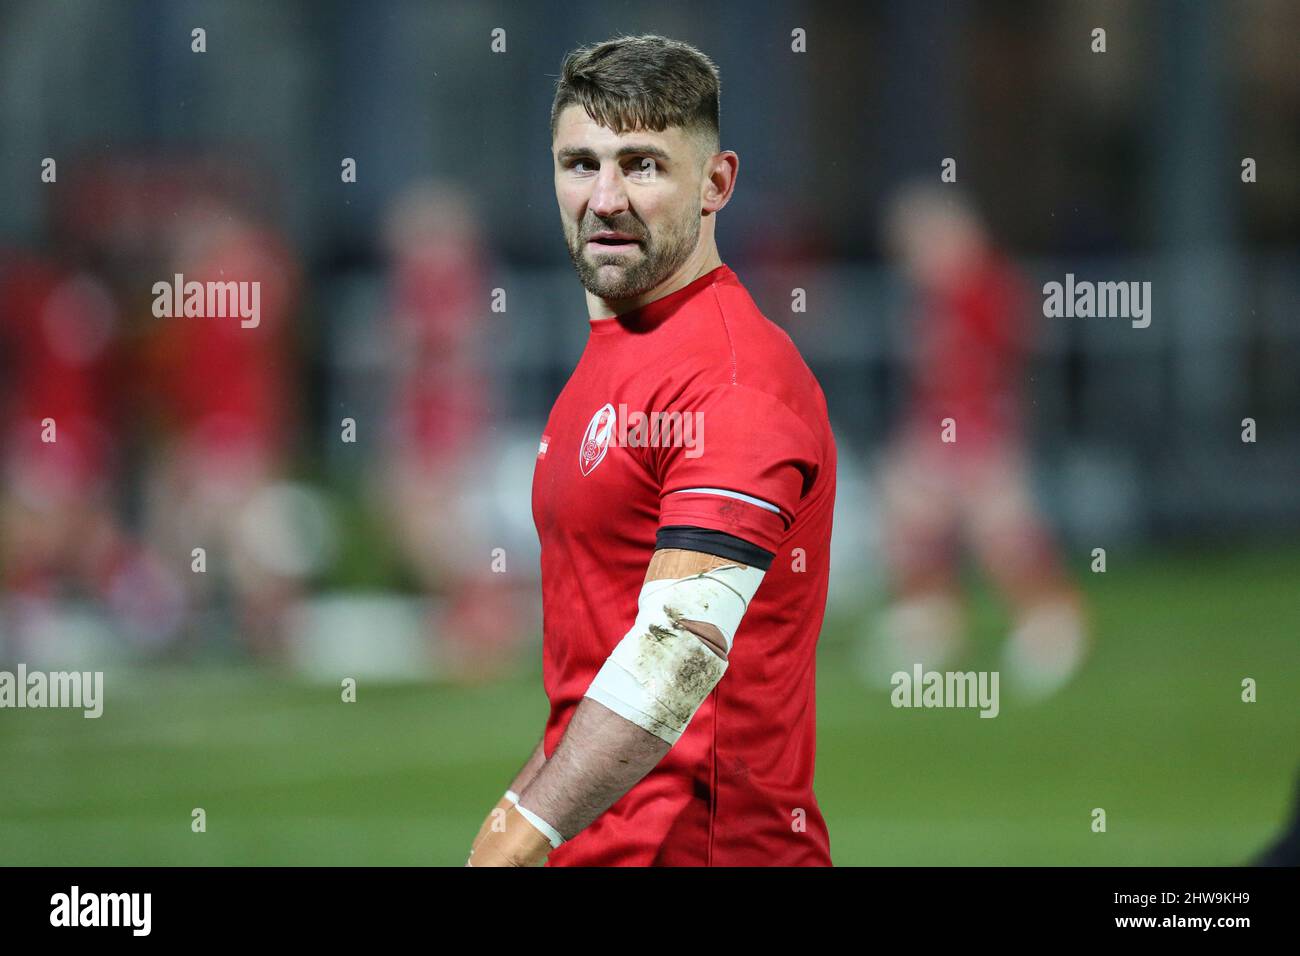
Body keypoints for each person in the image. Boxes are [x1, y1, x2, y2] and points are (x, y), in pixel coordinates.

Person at [468, 35, 837, 867]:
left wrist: (511, 845)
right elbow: (594, 679)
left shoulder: (732, 385)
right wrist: (506, 833)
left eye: (641, 165)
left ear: (716, 183)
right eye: (580, 163)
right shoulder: (615, 357)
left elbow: (674, 653)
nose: (604, 198)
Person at [862, 184, 1086, 698]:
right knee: (908, 518)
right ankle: (929, 621)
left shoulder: (987, 290)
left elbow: (999, 364)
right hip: (942, 428)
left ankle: (1053, 623)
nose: (912, 258)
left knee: (1001, 532)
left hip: (982, 431)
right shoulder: (936, 298)